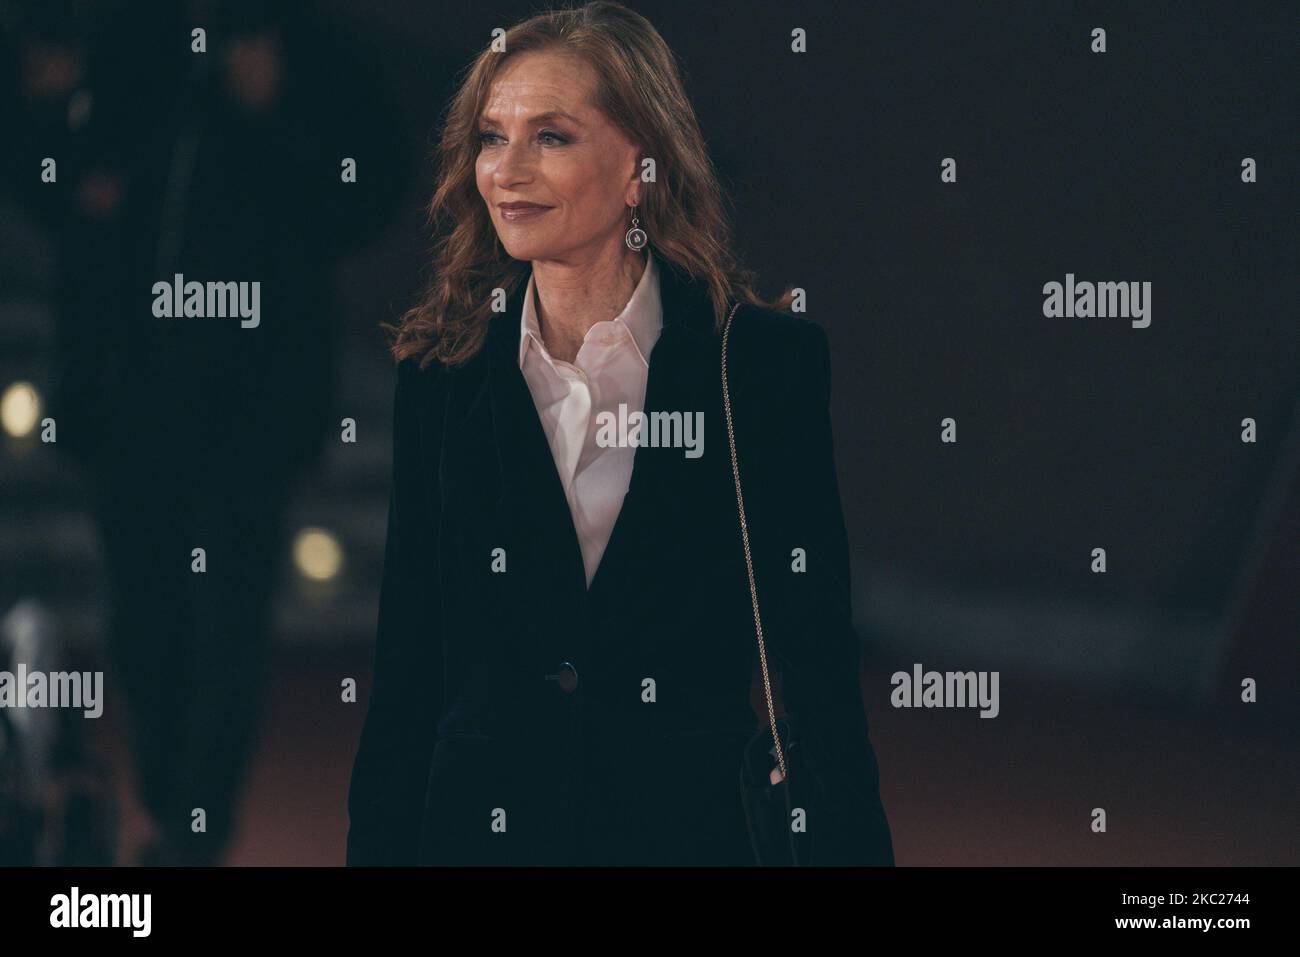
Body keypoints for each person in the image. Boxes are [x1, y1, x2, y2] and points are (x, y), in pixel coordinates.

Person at [346, 1, 894, 866]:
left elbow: (816, 655)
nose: (508, 170)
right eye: (493, 136)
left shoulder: (759, 365)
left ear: (642, 164)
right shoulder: (442, 372)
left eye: (552, 136)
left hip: (690, 833)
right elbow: (409, 666)